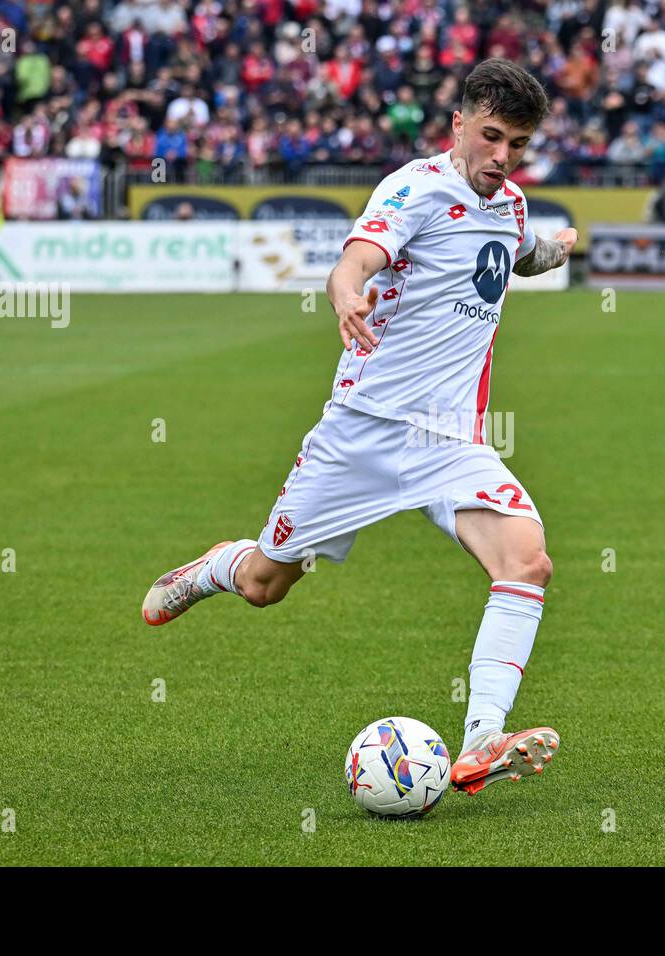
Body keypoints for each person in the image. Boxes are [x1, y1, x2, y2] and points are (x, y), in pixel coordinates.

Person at [140, 59, 577, 797]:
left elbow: (512, 255)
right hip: (362, 434)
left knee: (527, 562)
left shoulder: (511, 203)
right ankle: (215, 566)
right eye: (493, 137)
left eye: (520, 146)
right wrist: (347, 296)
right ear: (460, 125)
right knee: (264, 585)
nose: (503, 158)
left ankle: (481, 739)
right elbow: (359, 260)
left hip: (452, 441)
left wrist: (551, 251)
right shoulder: (416, 187)